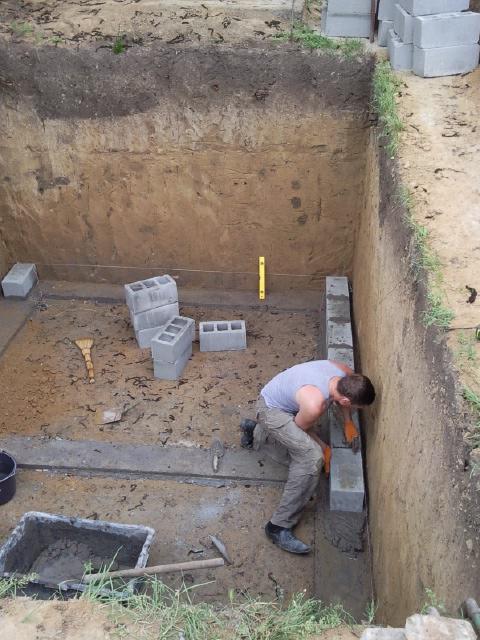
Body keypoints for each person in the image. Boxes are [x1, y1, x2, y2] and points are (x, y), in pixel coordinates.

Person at [240, 360, 375, 555]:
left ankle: (253, 431)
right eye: (355, 408)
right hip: (270, 410)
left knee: (304, 444)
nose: (353, 411)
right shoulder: (314, 404)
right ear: (346, 401)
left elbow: (344, 398)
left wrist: (348, 422)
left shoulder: (343, 372)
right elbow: (300, 429)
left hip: (284, 396)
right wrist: (324, 448)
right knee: (310, 457)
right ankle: (278, 527)